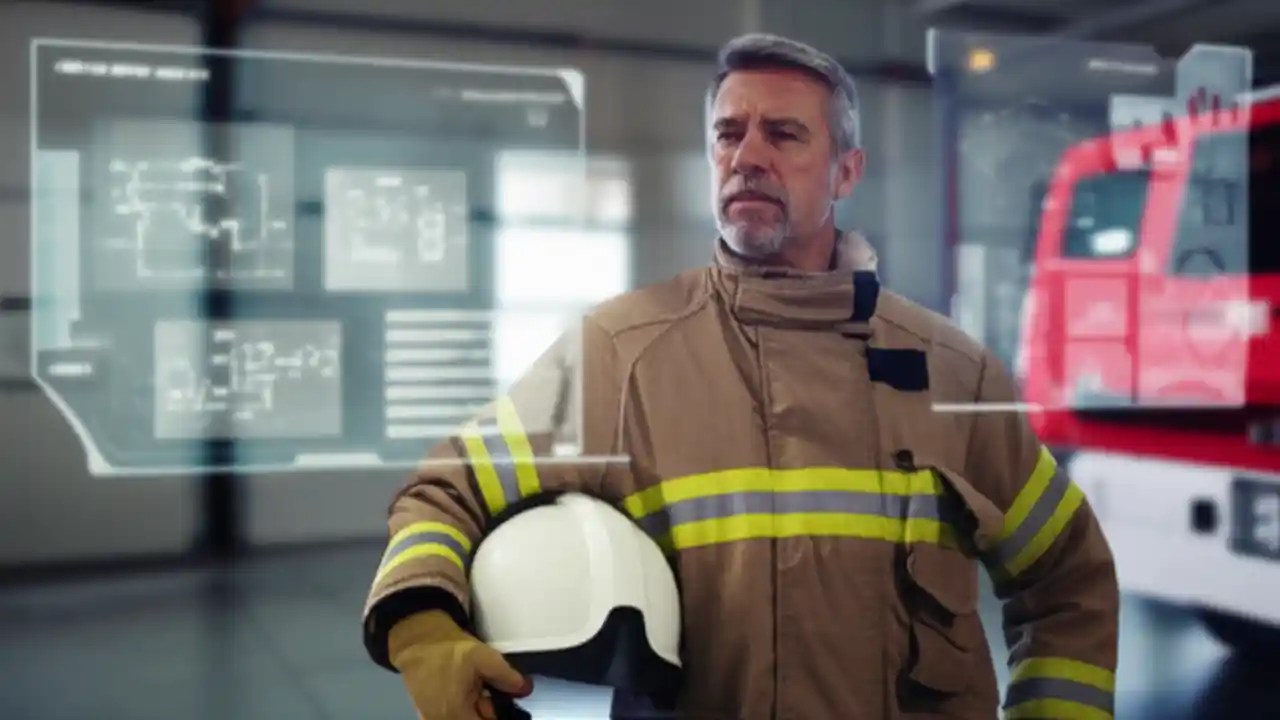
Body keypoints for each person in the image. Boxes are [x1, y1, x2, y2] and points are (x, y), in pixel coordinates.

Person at [362, 32, 1120, 720]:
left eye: (784, 133)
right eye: (728, 133)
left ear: (846, 170)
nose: (747, 155)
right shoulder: (622, 355)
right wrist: (422, 631)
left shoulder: (954, 374)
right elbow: (445, 490)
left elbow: (1068, 578)